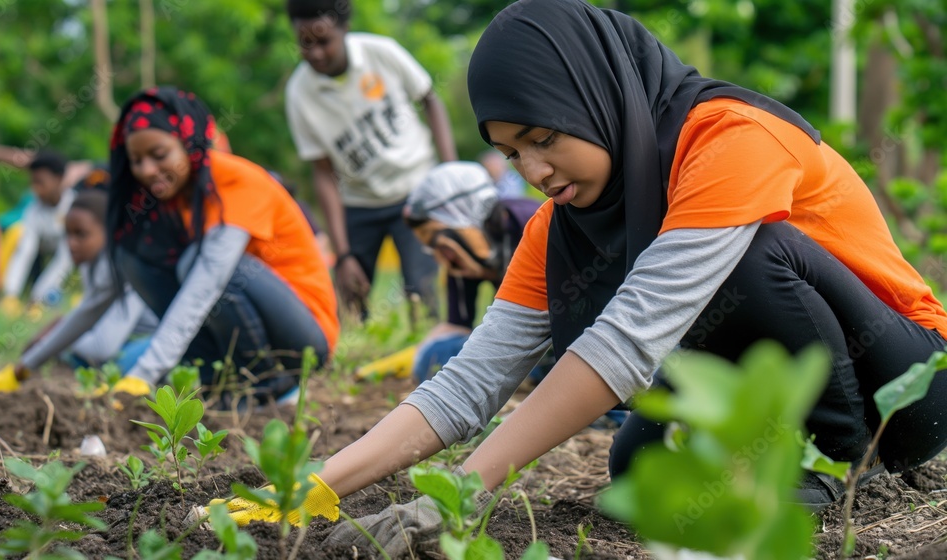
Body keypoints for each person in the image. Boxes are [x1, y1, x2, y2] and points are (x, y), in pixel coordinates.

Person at [209, 0, 947, 553]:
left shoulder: (733, 138)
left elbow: (632, 335)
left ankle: (841, 463)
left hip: (900, 383)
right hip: (762, 394)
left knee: (749, 254)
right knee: (632, 477)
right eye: (510, 154)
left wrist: (464, 490)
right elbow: (472, 382)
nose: (533, 172)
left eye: (544, 138)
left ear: (597, 97)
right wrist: (315, 485)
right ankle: (774, 456)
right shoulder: (558, 228)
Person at [98, 86, 338, 405]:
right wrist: (24, 368)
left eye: (159, 156)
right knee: (134, 259)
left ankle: (268, 384)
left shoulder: (238, 182)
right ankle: (218, 382)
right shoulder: (177, 197)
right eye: (136, 161)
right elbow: (100, 294)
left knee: (211, 268)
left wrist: (143, 375)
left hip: (305, 336)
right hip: (245, 321)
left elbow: (207, 282)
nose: (146, 171)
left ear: (188, 143)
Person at [285, 0, 457, 319]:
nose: (315, 52)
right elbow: (323, 172)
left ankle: (427, 356)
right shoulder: (300, 92)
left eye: (324, 41)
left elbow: (429, 99)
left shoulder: (382, 53)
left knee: (422, 295)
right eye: (305, 43)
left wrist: (449, 173)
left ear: (343, 29)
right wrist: (344, 252)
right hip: (360, 202)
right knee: (351, 297)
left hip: (414, 189)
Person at [402, 161, 543, 383]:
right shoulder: (458, 260)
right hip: (517, 346)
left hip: (563, 335)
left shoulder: (529, 222)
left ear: (463, 215)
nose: (440, 258)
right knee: (434, 356)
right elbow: (457, 326)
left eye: (437, 240)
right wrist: (420, 355)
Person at [6, 189, 157, 382]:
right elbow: (88, 318)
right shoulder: (90, 265)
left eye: (81, 234)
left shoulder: (124, 272)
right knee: (79, 358)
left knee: (112, 368)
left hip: (151, 339)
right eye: (67, 234)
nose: (71, 244)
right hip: (123, 337)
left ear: (110, 232)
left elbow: (102, 348)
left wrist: (57, 336)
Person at [0, 151, 75, 313]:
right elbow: (24, 251)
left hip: (70, 261)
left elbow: (65, 259)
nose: (35, 189)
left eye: (41, 183)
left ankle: (45, 299)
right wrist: (10, 294)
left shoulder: (74, 209)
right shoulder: (33, 209)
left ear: (59, 179)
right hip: (40, 255)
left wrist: (37, 298)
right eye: (33, 183)